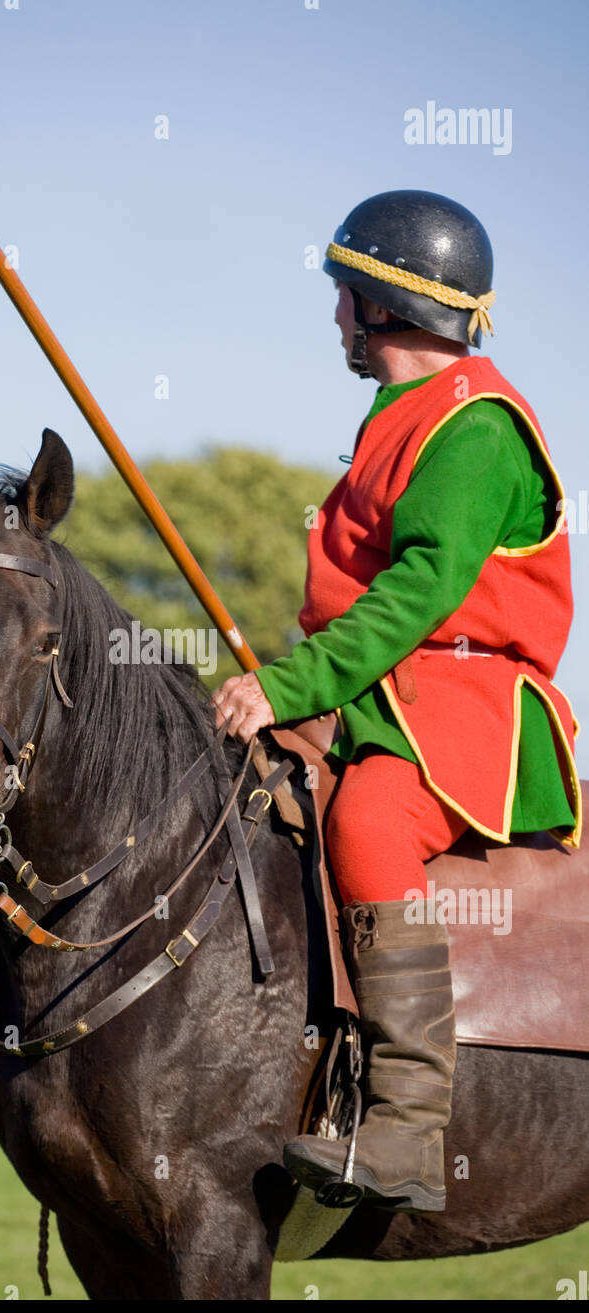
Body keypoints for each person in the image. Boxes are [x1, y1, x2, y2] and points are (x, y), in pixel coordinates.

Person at [212, 189, 581, 1213]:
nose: (335, 317)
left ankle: (407, 1128)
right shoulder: (394, 416)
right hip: (378, 691)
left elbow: (417, 594)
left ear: (382, 306)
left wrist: (287, 685)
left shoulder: (474, 427)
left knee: (367, 816)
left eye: (343, 297)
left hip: (460, 707)